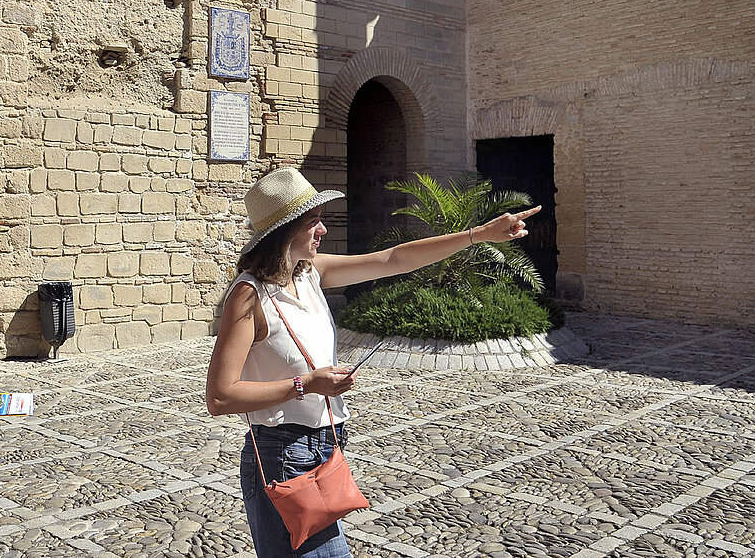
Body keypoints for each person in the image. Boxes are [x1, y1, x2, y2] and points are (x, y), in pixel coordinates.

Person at [206, 167, 539, 558]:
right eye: (313, 222)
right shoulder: (247, 296)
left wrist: (478, 235)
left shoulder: (310, 274)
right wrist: (307, 385)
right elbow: (221, 397)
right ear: (285, 230)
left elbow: (392, 259)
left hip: (327, 445)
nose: (323, 231)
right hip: (282, 454)